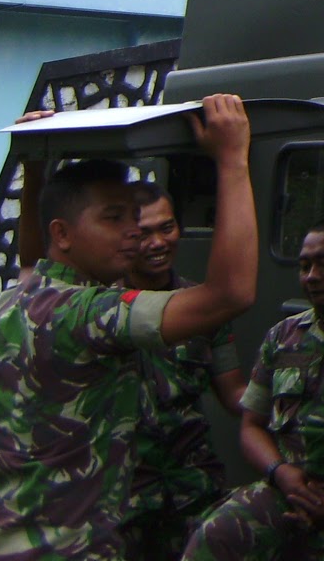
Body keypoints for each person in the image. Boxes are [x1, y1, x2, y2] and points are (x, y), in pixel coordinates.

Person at [0, 94, 257, 561]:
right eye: (114, 218)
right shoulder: (88, 314)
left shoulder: (16, 299)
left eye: (134, 216)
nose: (135, 231)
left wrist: (36, 162)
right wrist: (231, 160)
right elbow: (231, 295)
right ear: (63, 234)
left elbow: (32, 258)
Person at [184, 217, 324, 560]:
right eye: (304, 266)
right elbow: (251, 426)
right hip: (287, 488)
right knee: (215, 537)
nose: (312, 277)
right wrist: (281, 473)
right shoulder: (284, 336)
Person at [121, 181, 249, 560]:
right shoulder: (100, 308)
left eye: (167, 228)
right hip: (123, 493)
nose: (158, 243)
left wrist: (289, 410)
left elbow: (234, 394)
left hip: (192, 488)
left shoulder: (203, 308)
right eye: (143, 234)